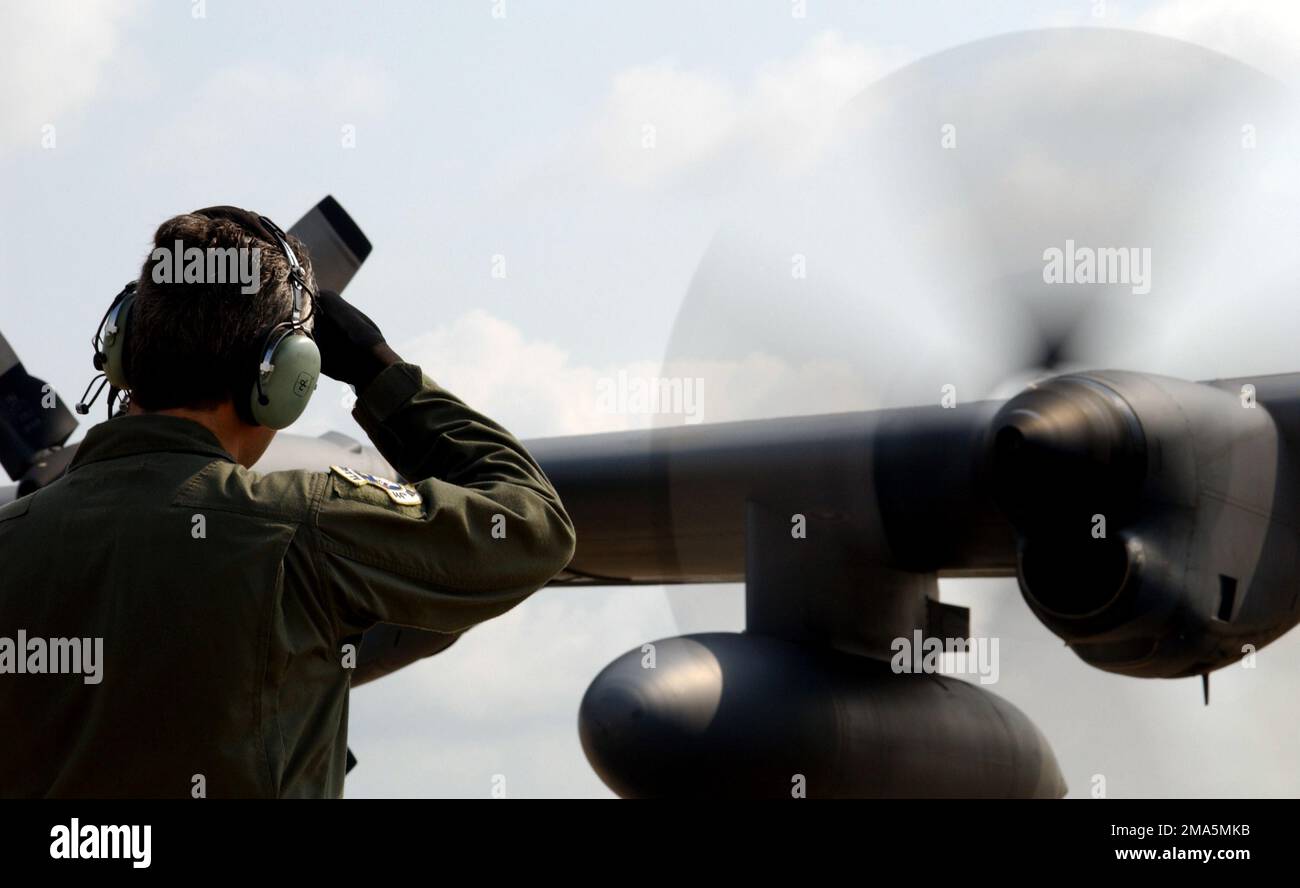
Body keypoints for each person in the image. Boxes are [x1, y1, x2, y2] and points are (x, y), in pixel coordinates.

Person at [0, 206, 576, 798]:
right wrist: (379, 372)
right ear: (282, 378)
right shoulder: (304, 527)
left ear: (121, 346)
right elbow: (531, 526)